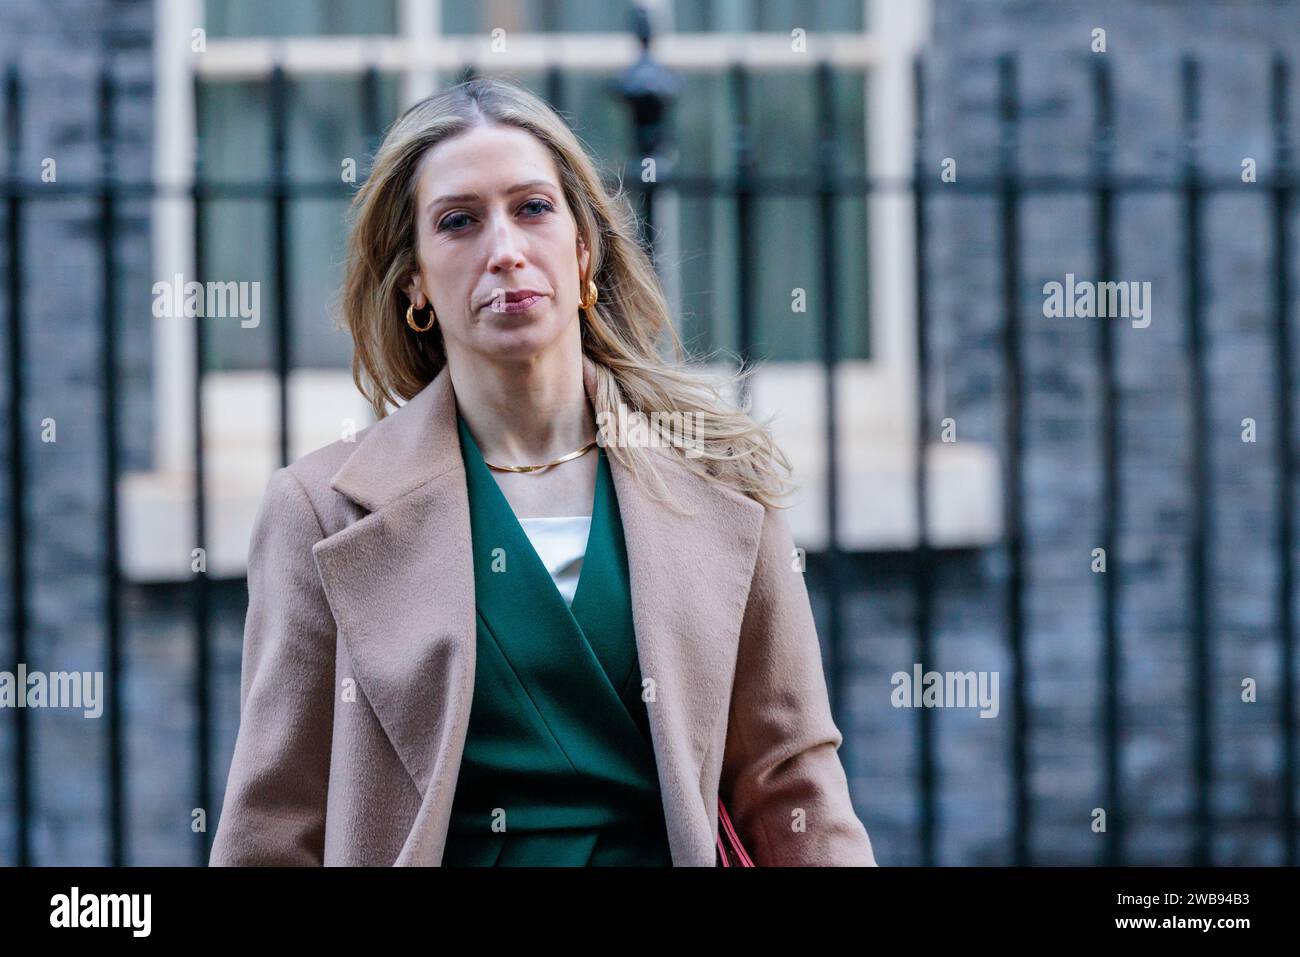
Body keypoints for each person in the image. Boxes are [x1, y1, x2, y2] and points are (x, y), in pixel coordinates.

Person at [209, 75, 876, 867]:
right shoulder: (319, 511)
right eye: (458, 222)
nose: (505, 251)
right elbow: (275, 828)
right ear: (415, 279)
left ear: (583, 246)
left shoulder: (721, 479)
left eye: (532, 208)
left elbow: (792, 785)